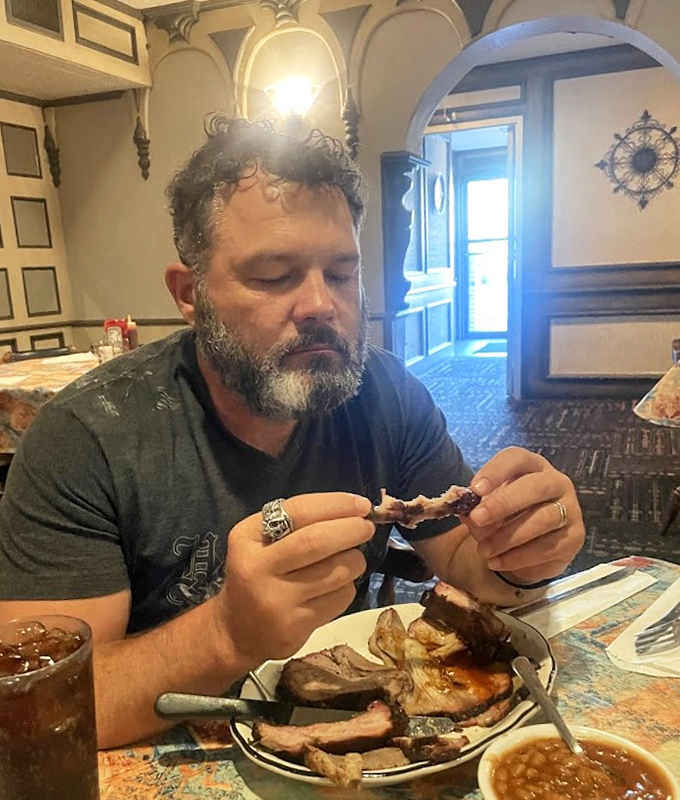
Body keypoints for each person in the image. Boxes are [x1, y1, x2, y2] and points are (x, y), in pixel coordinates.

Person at [0, 118, 585, 748]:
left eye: (340, 273)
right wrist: (226, 633)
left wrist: (523, 553)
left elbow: (472, 570)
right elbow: (35, 707)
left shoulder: (385, 393)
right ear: (189, 292)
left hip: (348, 744)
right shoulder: (85, 436)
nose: (320, 305)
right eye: (275, 276)